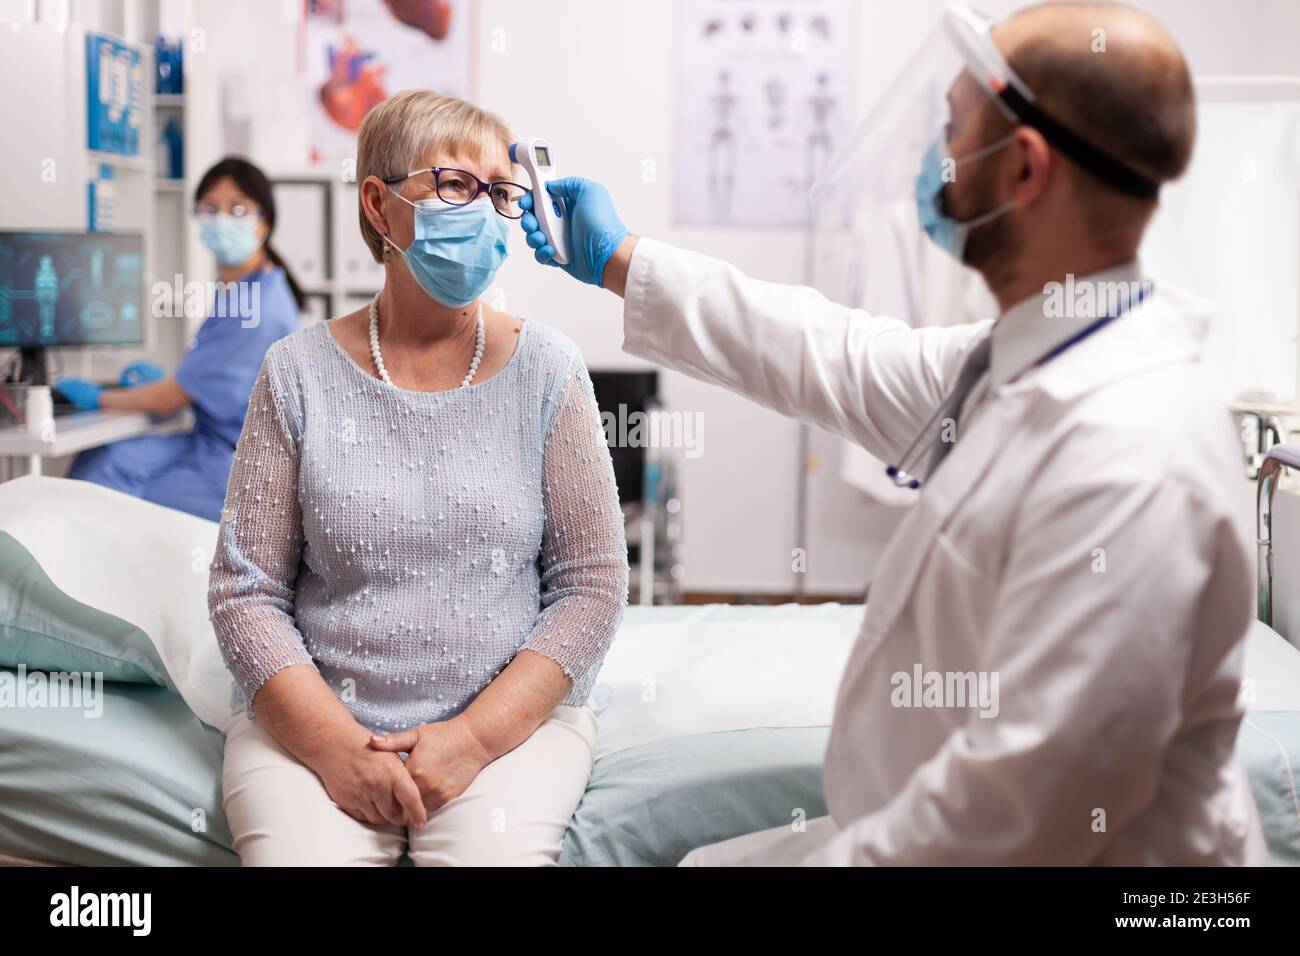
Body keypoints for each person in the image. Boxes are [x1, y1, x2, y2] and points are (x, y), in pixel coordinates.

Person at [520, 2, 1267, 865]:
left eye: (952, 130)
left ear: (1024, 169)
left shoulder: (1134, 452)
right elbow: (825, 351)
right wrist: (618, 258)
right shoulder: (1020, 360)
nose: (933, 161)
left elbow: (1022, 811)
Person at [208, 90, 628, 866]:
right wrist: (335, 747)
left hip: (509, 734)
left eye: (501, 193)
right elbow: (245, 592)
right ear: (379, 204)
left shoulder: (549, 371)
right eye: (453, 186)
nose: (485, 211)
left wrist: (471, 738)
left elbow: (592, 586)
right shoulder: (296, 374)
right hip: (319, 723)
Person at [59, 157, 303, 522]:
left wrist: (97, 397)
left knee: (101, 476)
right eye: (210, 208)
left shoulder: (257, 306)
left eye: (237, 209)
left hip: (232, 467)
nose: (221, 219)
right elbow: (199, 385)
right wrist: (174, 383)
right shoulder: (252, 289)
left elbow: (167, 403)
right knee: (103, 463)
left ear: (263, 222)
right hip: (215, 447)